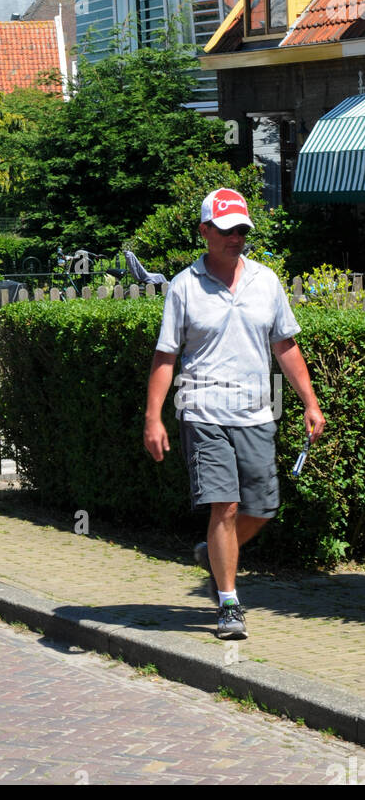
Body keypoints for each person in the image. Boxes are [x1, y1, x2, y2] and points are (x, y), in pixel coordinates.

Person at [143, 188, 325, 641]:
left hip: (256, 414)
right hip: (202, 410)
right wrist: (153, 416)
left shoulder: (266, 281)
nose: (235, 238)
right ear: (205, 231)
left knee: (262, 507)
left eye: (242, 230)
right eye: (226, 230)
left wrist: (309, 401)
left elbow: (285, 344)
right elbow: (166, 356)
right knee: (223, 504)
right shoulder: (185, 286)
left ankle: (213, 554)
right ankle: (228, 603)